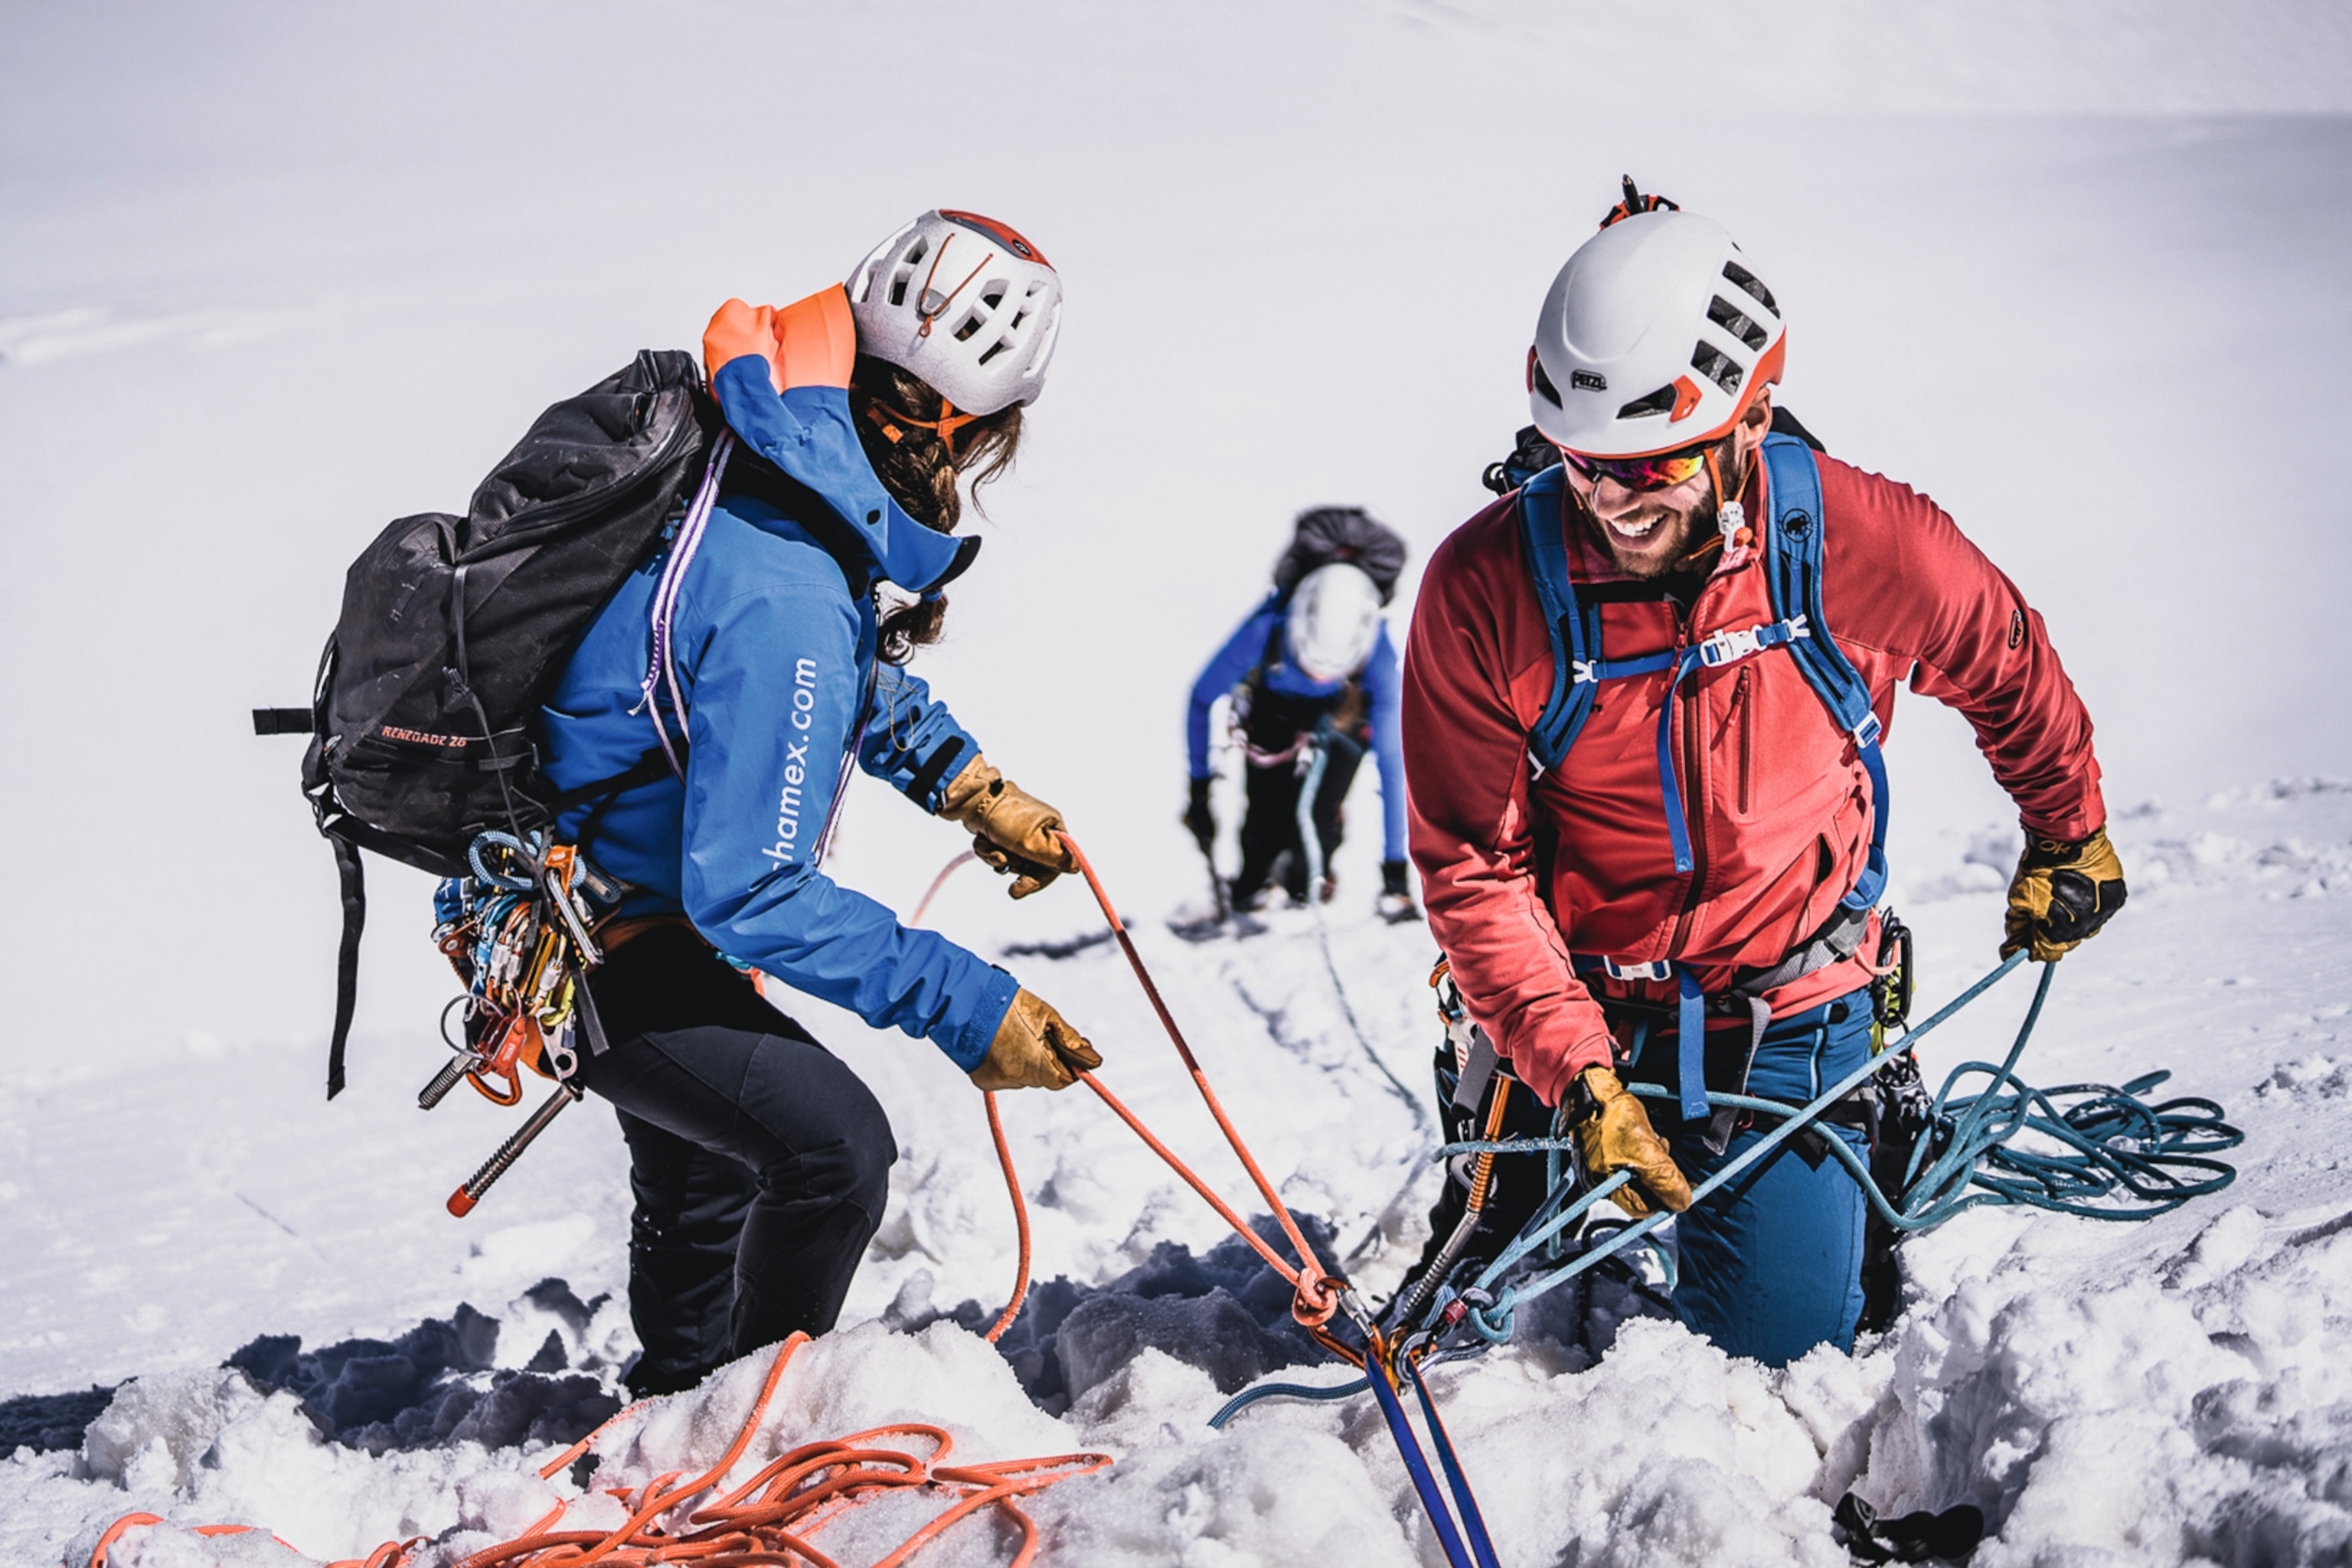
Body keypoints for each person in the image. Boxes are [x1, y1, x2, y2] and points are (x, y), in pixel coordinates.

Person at [1400, 184, 2126, 1364]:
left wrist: (2067, 831)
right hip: (1580, 1009)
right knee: (1487, 1311)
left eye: (1652, 467)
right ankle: (1511, 1109)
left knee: (1777, 1356)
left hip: (1781, 1018)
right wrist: (1579, 1076)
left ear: (1750, 419)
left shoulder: (1851, 541)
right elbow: (1473, 867)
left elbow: (2001, 652)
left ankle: (1858, 1130)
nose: (1609, 503)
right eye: (1580, 466)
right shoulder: (1484, 589)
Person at [535, 210, 1100, 1396]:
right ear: (955, 421)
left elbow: (815, 680)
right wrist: (976, 1008)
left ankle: (678, 1407)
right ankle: (736, 1428)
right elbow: (751, 888)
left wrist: (969, 785)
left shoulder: (775, 464)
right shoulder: (784, 575)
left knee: (707, 1169)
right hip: (610, 935)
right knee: (834, 1153)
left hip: (591, 895)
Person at [1183, 508, 1419, 923]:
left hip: (1342, 719)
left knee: (1316, 823)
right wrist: (1199, 792)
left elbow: (1392, 761)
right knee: (1262, 824)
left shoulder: (1376, 655)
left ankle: (1307, 882)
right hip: (1272, 713)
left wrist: (1395, 873)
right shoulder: (1268, 626)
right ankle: (1254, 883)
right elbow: (1203, 699)